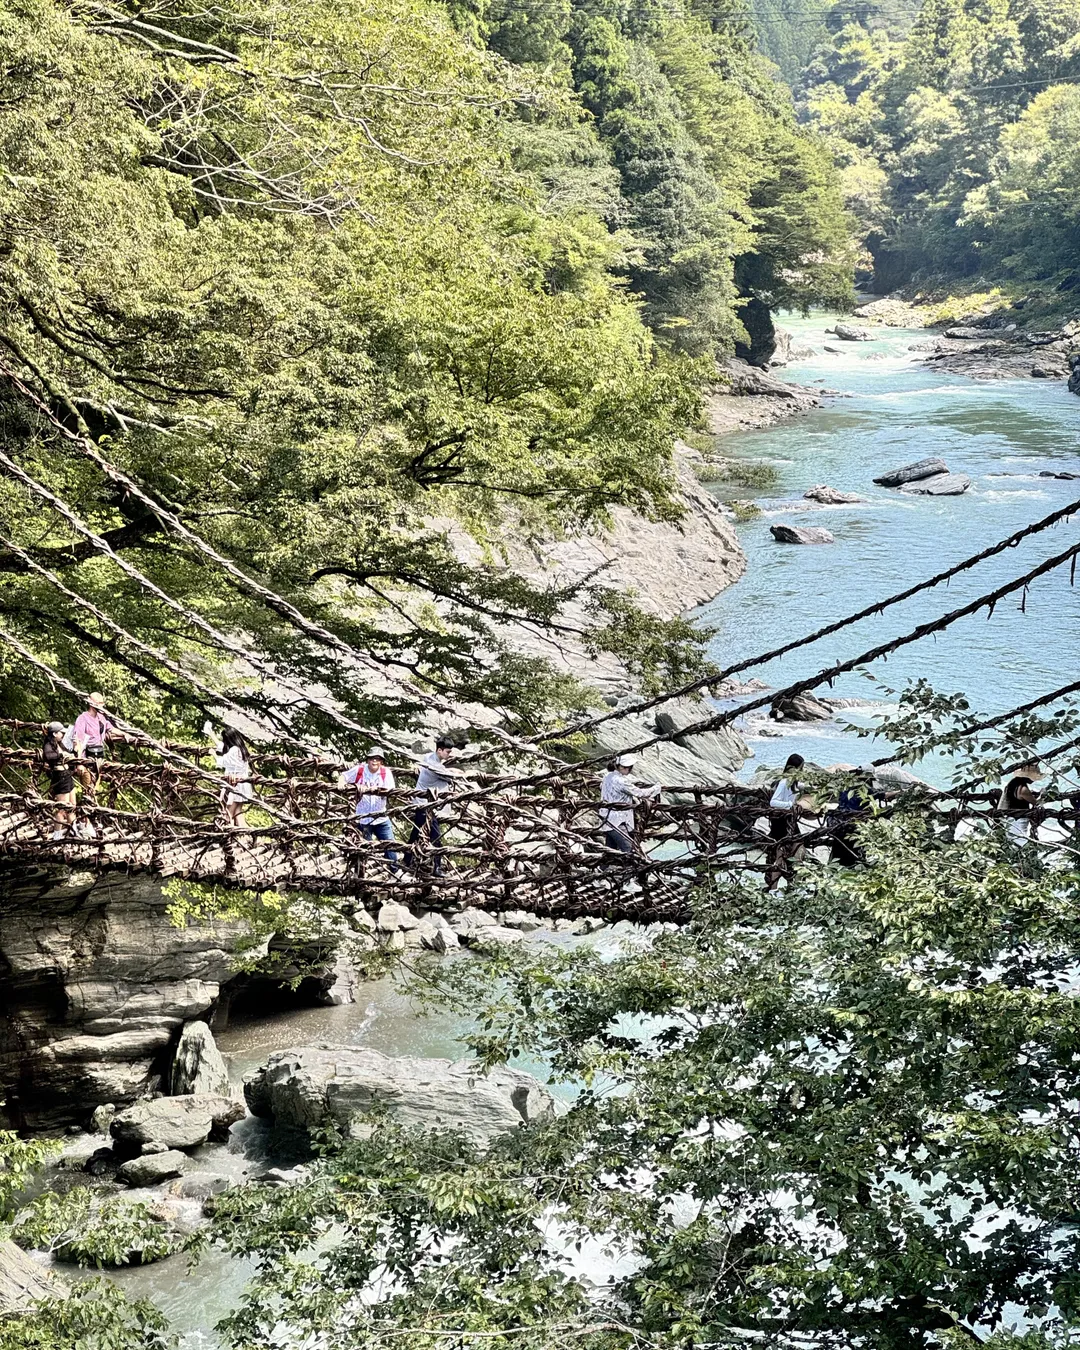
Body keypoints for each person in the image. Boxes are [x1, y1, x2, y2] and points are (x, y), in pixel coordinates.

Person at [404, 737, 462, 876]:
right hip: (425, 806)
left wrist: (452, 769)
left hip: (421, 804)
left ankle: (406, 861)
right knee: (435, 837)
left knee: (416, 834)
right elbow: (449, 776)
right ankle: (436, 867)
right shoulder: (435, 767)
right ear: (439, 750)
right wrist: (457, 772)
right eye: (447, 752)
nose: (450, 754)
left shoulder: (428, 757)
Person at [342, 747, 399, 872]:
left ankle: (395, 874)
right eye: (372, 758)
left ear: (381, 762)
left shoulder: (386, 773)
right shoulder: (360, 770)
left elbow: (391, 791)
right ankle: (361, 876)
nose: (374, 761)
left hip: (381, 818)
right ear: (367, 760)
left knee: (391, 848)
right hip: (363, 818)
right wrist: (342, 785)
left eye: (377, 759)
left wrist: (378, 791)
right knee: (363, 850)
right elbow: (343, 777)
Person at [599, 754, 661, 862]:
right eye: (629, 768)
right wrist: (656, 788)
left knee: (610, 851)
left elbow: (602, 787)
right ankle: (628, 877)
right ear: (622, 767)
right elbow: (640, 793)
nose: (630, 770)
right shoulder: (622, 781)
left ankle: (601, 875)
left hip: (606, 819)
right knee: (629, 851)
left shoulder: (607, 777)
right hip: (618, 822)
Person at [765, 752, 805, 889]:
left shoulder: (793, 783)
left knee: (797, 851)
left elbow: (800, 789)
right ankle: (774, 888)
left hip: (789, 821)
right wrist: (790, 806)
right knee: (781, 856)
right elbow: (773, 802)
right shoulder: (783, 782)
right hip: (782, 822)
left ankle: (792, 886)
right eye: (801, 768)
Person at [206, 723, 253, 826]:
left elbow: (222, 761)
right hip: (243, 784)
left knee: (228, 814)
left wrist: (213, 754)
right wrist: (211, 733)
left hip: (236, 785)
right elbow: (221, 746)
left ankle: (230, 837)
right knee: (238, 814)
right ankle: (245, 838)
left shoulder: (234, 750)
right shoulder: (241, 748)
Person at [828, 765, 875, 866]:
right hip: (852, 827)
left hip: (837, 823)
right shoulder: (867, 789)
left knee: (837, 856)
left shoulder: (846, 785)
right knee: (854, 857)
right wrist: (900, 792)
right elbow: (882, 795)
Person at [69, 692, 112, 793]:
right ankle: (86, 807)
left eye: (102, 703)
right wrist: (80, 763)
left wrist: (127, 735)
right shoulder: (82, 719)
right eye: (98, 703)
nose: (101, 706)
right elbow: (77, 741)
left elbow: (111, 729)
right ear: (91, 703)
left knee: (94, 790)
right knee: (89, 791)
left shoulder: (101, 718)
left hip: (98, 761)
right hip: (86, 761)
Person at [42, 721, 77, 839]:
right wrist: (62, 756)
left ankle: (73, 830)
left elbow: (69, 751)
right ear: (54, 734)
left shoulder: (60, 743)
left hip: (67, 775)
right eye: (60, 733)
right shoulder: (48, 744)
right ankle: (57, 834)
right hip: (60, 776)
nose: (62, 735)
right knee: (62, 809)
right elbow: (49, 756)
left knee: (72, 806)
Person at [999, 761, 1042, 846]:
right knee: (1019, 843)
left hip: (1010, 818)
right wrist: (1042, 794)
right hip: (1019, 820)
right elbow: (1036, 803)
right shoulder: (1023, 789)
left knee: (1012, 843)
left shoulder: (1013, 783)